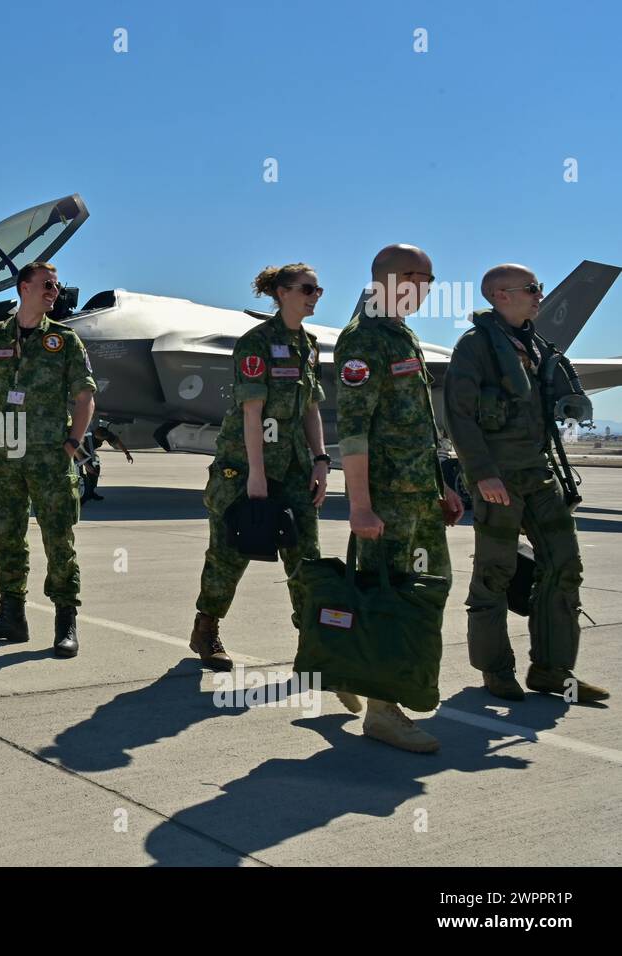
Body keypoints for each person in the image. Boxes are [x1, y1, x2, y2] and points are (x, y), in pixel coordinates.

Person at [444, 263, 608, 703]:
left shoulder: (536, 346)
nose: (539, 295)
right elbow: (458, 415)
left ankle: (553, 671)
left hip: (539, 475)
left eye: (539, 288)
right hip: (499, 480)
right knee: (494, 574)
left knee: (563, 566)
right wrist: (482, 473)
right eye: (532, 288)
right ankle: (496, 670)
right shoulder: (476, 347)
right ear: (500, 294)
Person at [335, 244, 464, 753]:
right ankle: (383, 712)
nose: (428, 288)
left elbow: (414, 424)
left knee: (428, 588)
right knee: (391, 599)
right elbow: (355, 431)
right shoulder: (364, 339)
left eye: (431, 279)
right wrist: (360, 505)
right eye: (420, 278)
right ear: (392, 278)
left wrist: (441, 485)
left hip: (419, 495)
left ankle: (353, 668)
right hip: (386, 502)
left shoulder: (399, 332)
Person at [189, 264, 335, 680]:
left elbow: (311, 408)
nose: (315, 295)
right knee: (229, 553)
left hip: (295, 468)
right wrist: (256, 474)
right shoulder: (255, 344)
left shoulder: (309, 344)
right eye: (308, 288)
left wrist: (321, 460)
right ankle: (206, 628)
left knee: (305, 554)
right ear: (282, 292)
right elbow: (251, 413)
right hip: (245, 466)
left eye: (318, 289)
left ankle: (312, 643)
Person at [0, 261, 96, 657]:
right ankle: (11, 615)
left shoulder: (65, 340)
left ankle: (65, 620)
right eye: (47, 285)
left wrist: (73, 443)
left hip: (49, 456)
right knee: (6, 536)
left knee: (59, 538)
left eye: (56, 286)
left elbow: (85, 397)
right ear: (24, 287)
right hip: (6, 456)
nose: (54, 291)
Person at [78, 422, 133, 504]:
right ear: (95, 435)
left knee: (95, 468)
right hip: (77, 452)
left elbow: (118, 442)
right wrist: (86, 465)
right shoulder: (85, 436)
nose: (102, 440)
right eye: (100, 439)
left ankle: (91, 492)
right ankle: (80, 495)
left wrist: (127, 454)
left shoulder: (106, 434)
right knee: (78, 473)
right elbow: (77, 452)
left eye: (103, 439)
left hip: (88, 453)